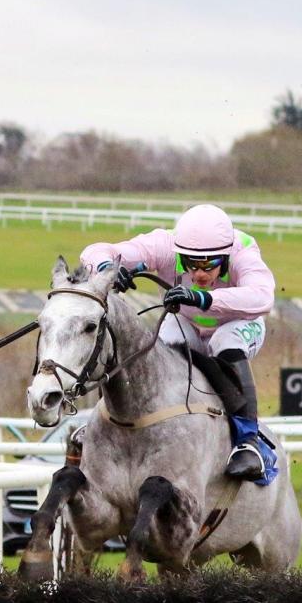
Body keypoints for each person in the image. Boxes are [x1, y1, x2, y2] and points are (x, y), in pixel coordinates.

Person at [80, 203, 275, 481]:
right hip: (187, 322)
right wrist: (107, 269)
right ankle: (113, 423)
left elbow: (262, 297)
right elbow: (96, 250)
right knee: (161, 344)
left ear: (226, 257)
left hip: (239, 322)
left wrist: (204, 298)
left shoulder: (242, 251)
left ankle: (248, 440)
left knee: (225, 339)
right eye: (190, 264)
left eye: (209, 266)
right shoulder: (163, 244)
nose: (199, 274)